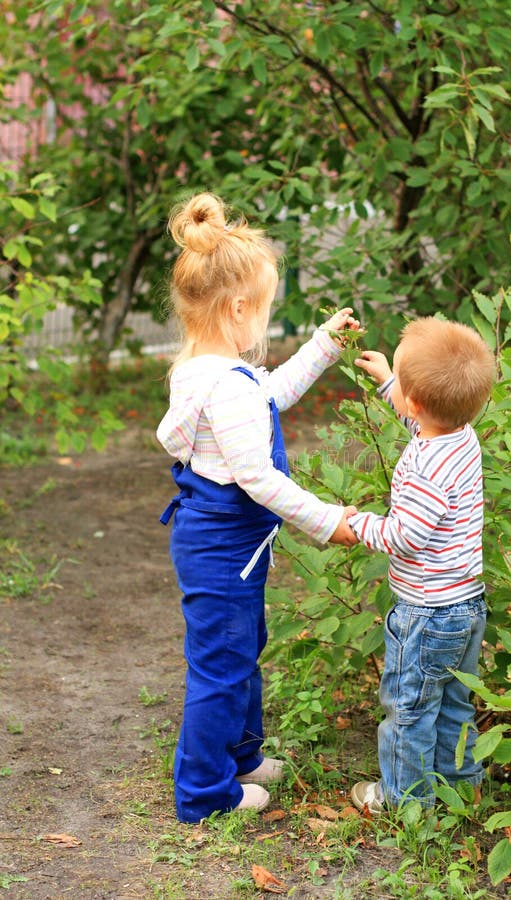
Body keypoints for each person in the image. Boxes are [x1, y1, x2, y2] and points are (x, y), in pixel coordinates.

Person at [156, 191, 359, 823]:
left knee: (243, 645)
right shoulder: (224, 383)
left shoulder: (204, 370)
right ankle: (204, 791)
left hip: (217, 541)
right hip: (223, 545)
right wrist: (330, 521)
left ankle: (240, 756)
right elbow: (258, 477)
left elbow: (267, 395)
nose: (265, 324)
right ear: (239, 307)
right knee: (222, 664)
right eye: (266, 312)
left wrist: (323, 346)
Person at [347, 316, 496, 813]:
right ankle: (460, 783)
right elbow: (422, 418)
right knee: (454, 701)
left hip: (427, 613)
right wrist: (391, 379)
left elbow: (405, 537)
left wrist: (358, 525)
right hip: (465, 606)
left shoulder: (422, 467)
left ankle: (404, 802)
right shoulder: (461, 436)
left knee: (409, 709)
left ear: (416, 401)